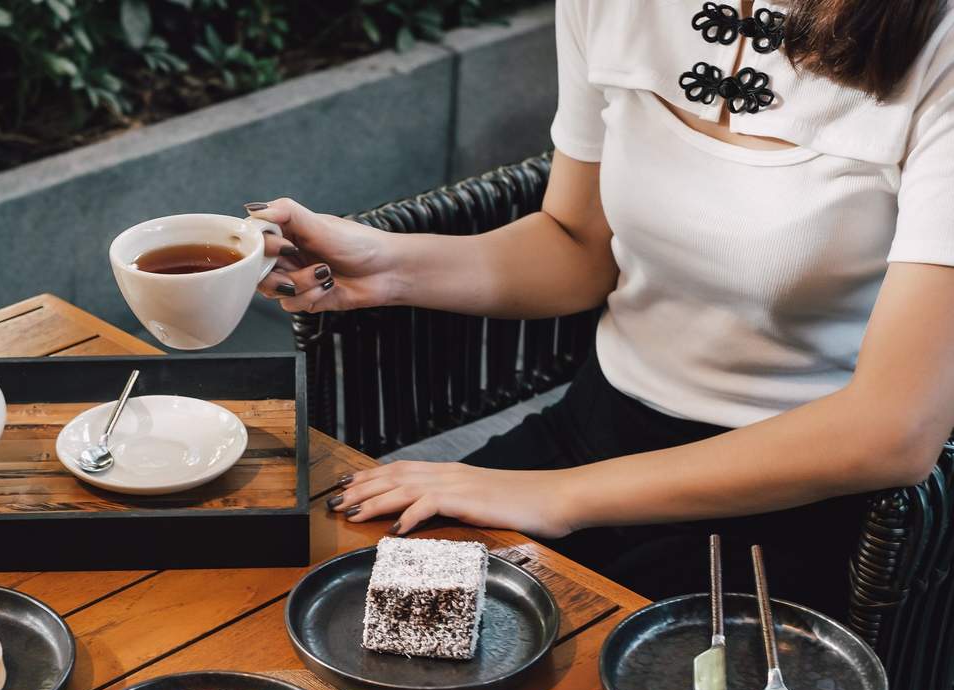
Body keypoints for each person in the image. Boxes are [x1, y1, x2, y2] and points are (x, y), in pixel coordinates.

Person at [244, 0, 954, 618]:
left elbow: (892, 428)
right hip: (596, 425)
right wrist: (381, 265)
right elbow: (578, 245)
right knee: (333, 601)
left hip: (796, 496)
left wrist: (556, 498)